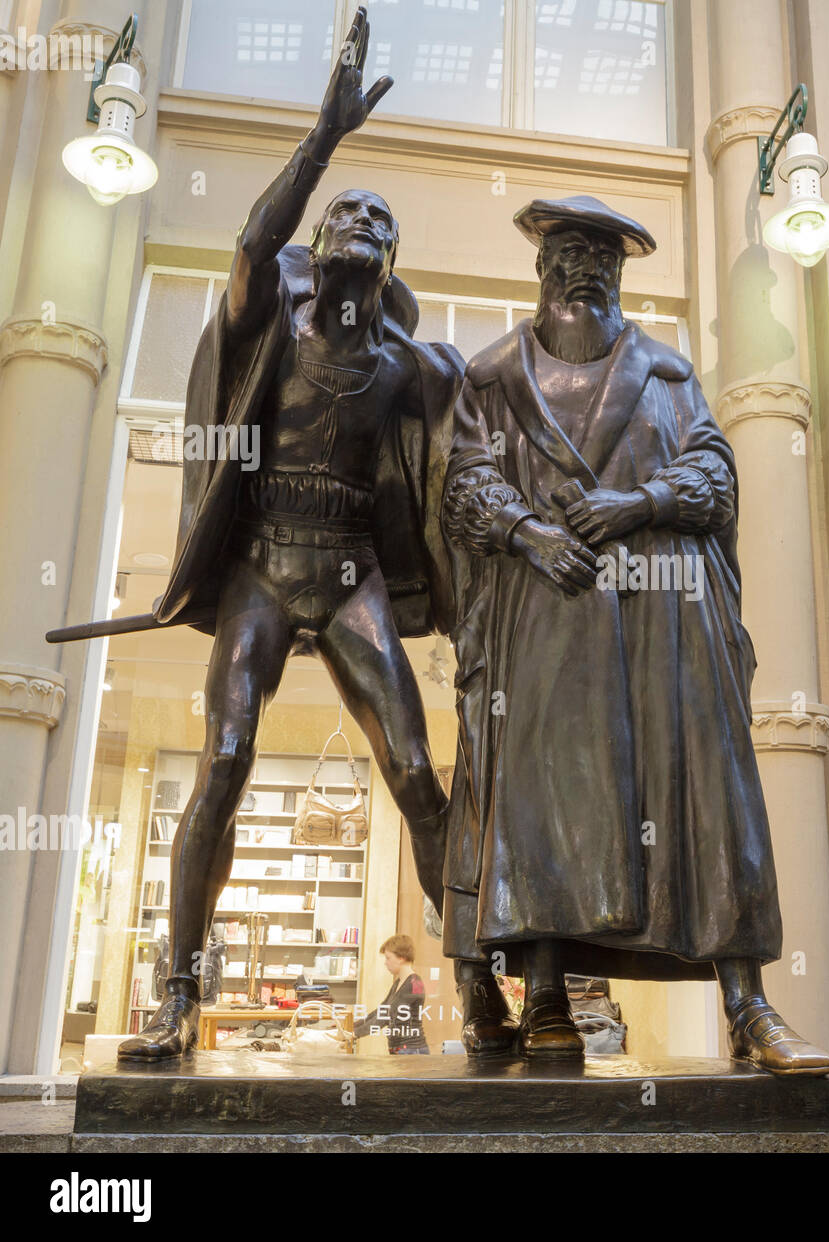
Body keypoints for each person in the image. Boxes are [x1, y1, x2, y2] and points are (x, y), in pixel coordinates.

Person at [116, 7, 505, 1061]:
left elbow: (466, 477)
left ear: (388, 264)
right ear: (322, 245)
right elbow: (250, 241)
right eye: (348, 210)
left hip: (352, 575)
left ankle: (478, 987)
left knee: (417, 776)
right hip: (260, 568)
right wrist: (324, 140)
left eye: (383, 218)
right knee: (227, 760)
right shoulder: (266, 328)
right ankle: (175, 998)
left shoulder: (417, 373)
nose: (365, 220)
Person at [437, 195, 829, 1075]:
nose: (588, 269)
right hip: (545, 612)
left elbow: (714, 476)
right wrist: (527, 533)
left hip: (665, 620)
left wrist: (635, 504)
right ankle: (543, 993)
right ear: (542, 268)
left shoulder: (668, 374)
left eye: (605, 258)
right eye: (572, 253)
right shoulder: (490, 377)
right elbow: (463, 482)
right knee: (541, 793)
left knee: (707, 789)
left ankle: (750, 1004)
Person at [354, 935, 430, 1054]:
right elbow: (381, 1010)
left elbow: (388, 1015)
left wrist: (355, 1033)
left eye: (388, 958)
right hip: (401, 1049)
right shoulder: (398, 983)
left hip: (411, 1050)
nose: (386, 963)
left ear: (401, 958)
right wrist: (352, 1026)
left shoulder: (414, 983)